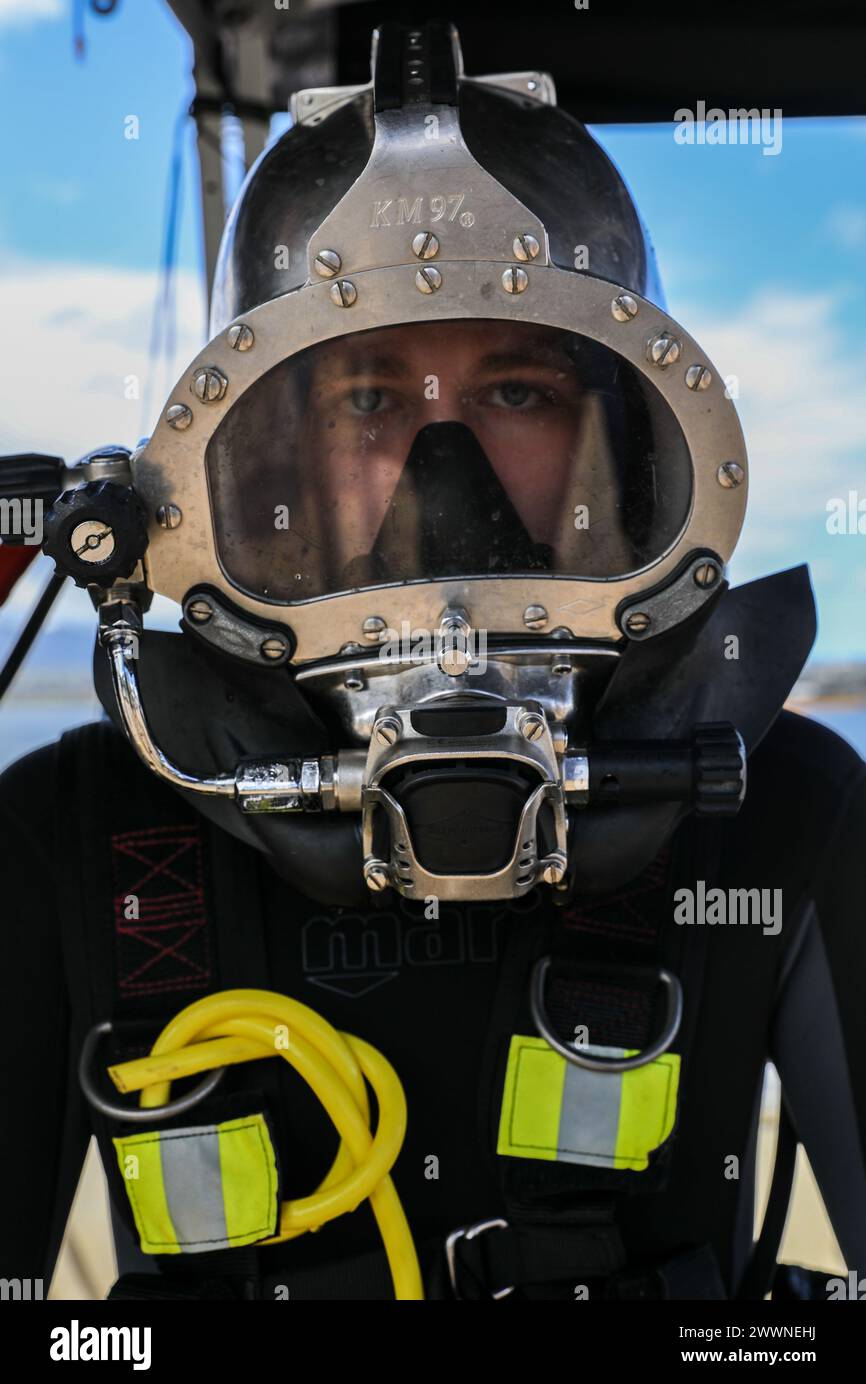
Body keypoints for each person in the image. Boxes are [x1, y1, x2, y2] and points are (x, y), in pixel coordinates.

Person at [2, 19, 865, 1302]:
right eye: (368, 399)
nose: (438, 463)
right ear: (270, 450)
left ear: (616, 437)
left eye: (515, 391)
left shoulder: (775, 805)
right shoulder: (78, 835)